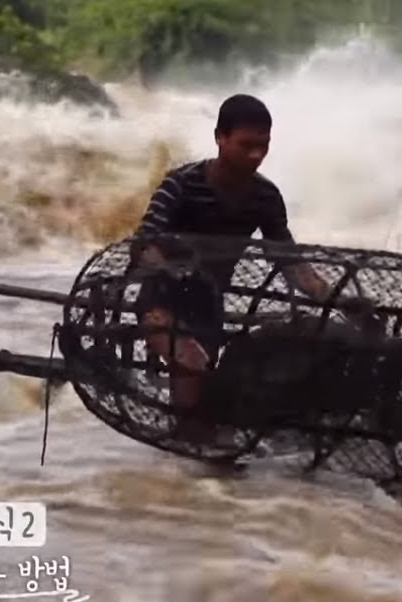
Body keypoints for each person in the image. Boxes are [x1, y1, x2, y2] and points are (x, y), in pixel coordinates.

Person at [129, 93, 370, 447]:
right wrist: (168, 268)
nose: (256, 155)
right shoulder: (180, 185)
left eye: (264, 145)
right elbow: (142, 245)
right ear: (220, 138)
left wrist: (335, 298)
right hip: (161, 306)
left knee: (215, 408)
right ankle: (181, 477)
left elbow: (290, 262)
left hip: (208, 311)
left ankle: (207, 482)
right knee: (192, 364)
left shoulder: (265, 197)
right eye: (246, 145)